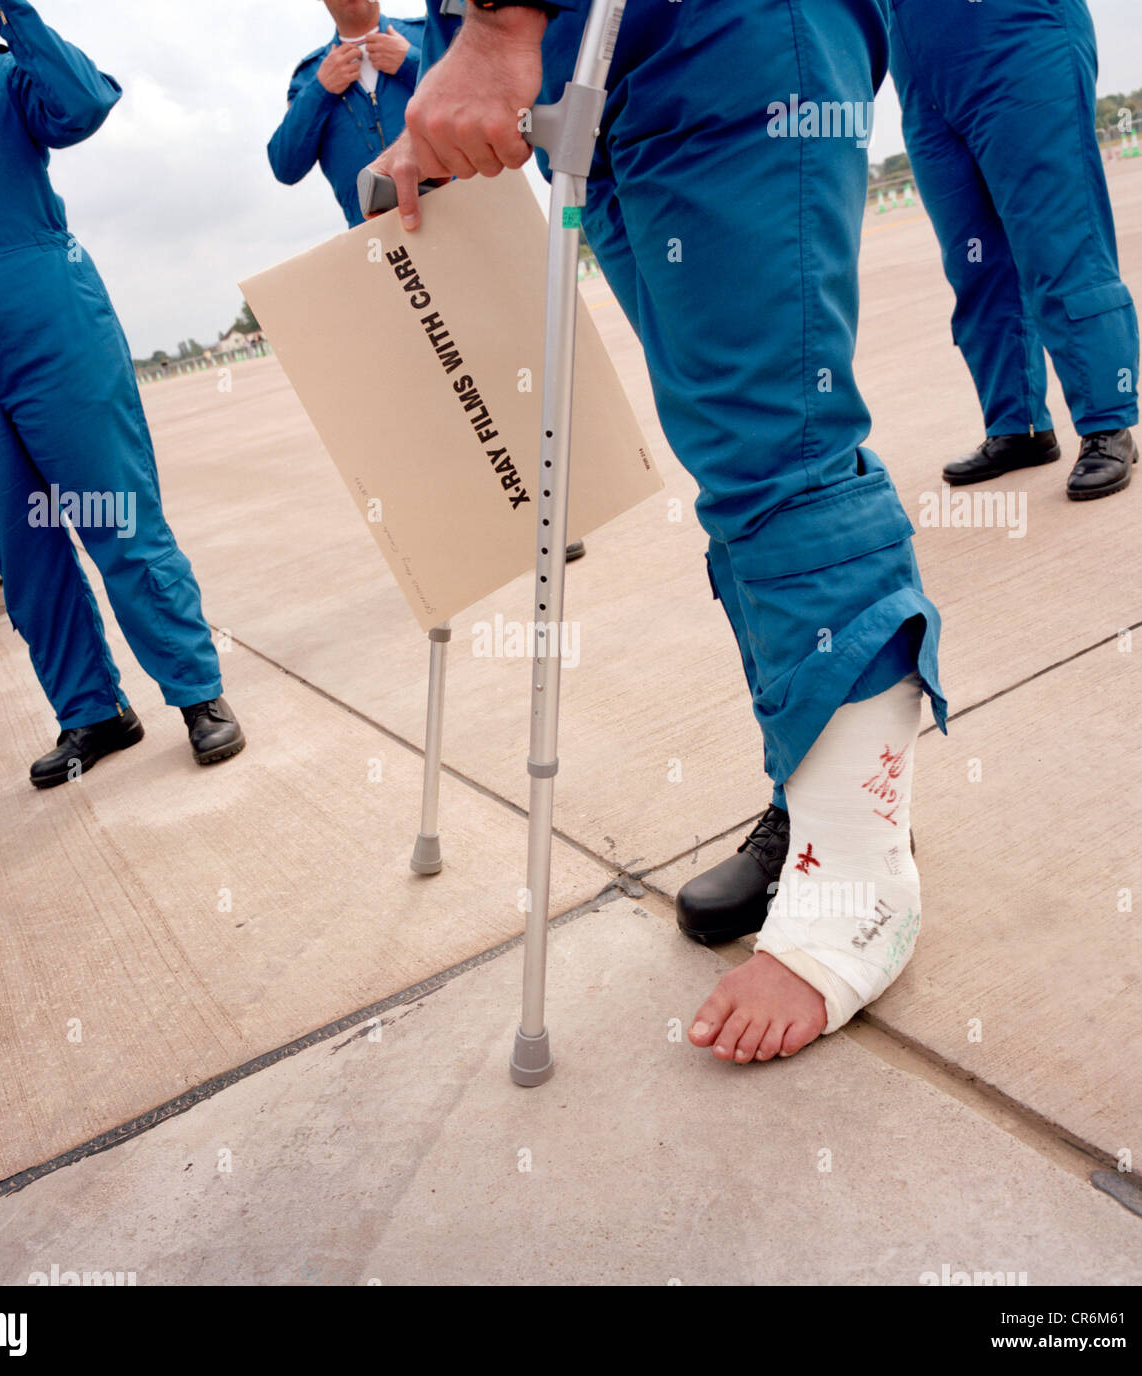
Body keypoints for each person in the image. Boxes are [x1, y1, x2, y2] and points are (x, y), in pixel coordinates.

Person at [376, 0, 948, 1065]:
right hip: (605, 72)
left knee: (780, 444)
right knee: (734, 464)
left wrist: (500, 25)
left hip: (709, 32)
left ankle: (861, 877)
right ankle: (822, 788)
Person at [0, 0, 244, 788]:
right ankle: (92, 711)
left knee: (117, 515)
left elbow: (84, 104)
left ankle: (196, 693)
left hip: (54, 341)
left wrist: (8, 8)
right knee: (22, 550)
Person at [890, 0, 1140, 500]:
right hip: (920, 64)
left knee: (1058, 241)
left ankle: (1107, 422)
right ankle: (1018, 425)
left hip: (1017, 38)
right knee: (975, 263)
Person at [268, 0, 425, 228]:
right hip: (376, 240)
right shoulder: (308, 77)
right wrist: (320, 89)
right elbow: (286, 167)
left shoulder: (429, 36)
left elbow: (483, 105)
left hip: (460, 210)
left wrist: (412, 63)